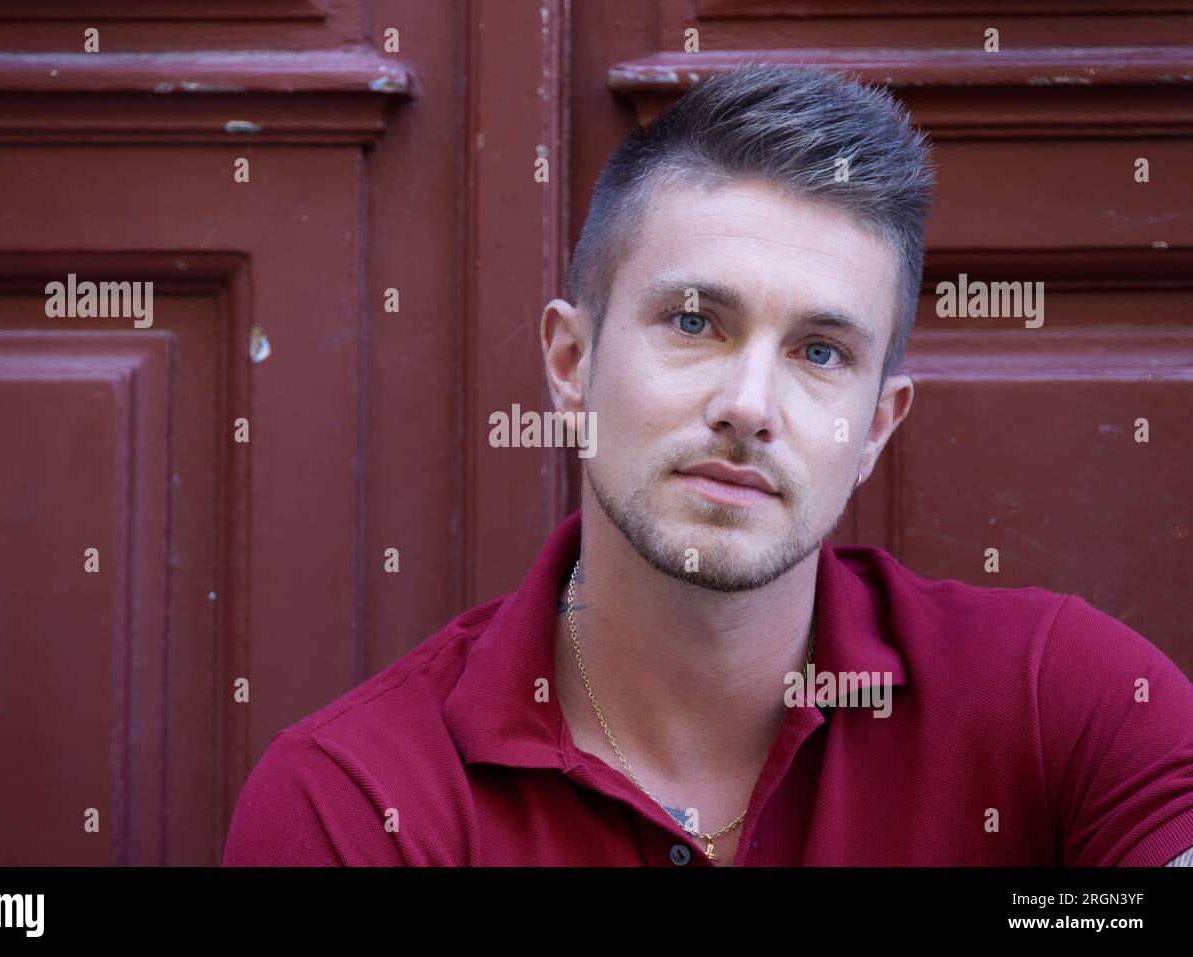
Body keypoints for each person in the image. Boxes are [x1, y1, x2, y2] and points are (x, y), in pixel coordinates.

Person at [223, 62, 1193, 867]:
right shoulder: (355, 802)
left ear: (875, 429)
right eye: (694, 321)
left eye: (820, 352)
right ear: (571, 365)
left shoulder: (1060, 699)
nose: (748, 407)